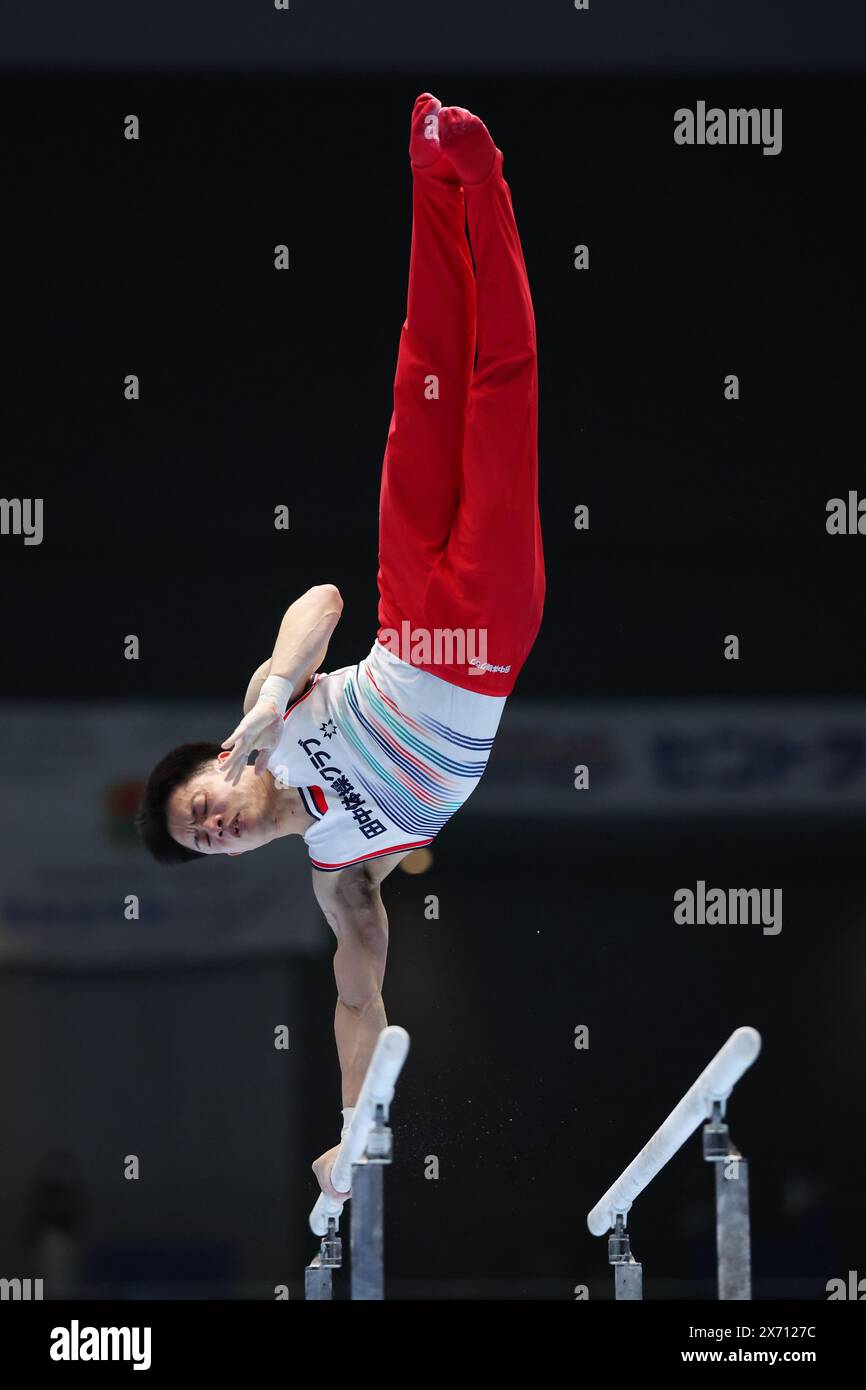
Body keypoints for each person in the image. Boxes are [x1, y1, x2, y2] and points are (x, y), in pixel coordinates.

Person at [135, 94, 544, 1205]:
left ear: (218, 765)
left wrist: (273, 697)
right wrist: (354, 1129)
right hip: (485, 639)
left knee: (425, 374)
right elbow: (358, 999)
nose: (212, 824)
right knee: (498, 392)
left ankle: (434, 172)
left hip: (408, 610)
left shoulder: (269, 719)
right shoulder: (340, 876)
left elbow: (322, 599)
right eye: (202, 839)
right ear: (227, 859)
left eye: (199, 803)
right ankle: (488, 183)